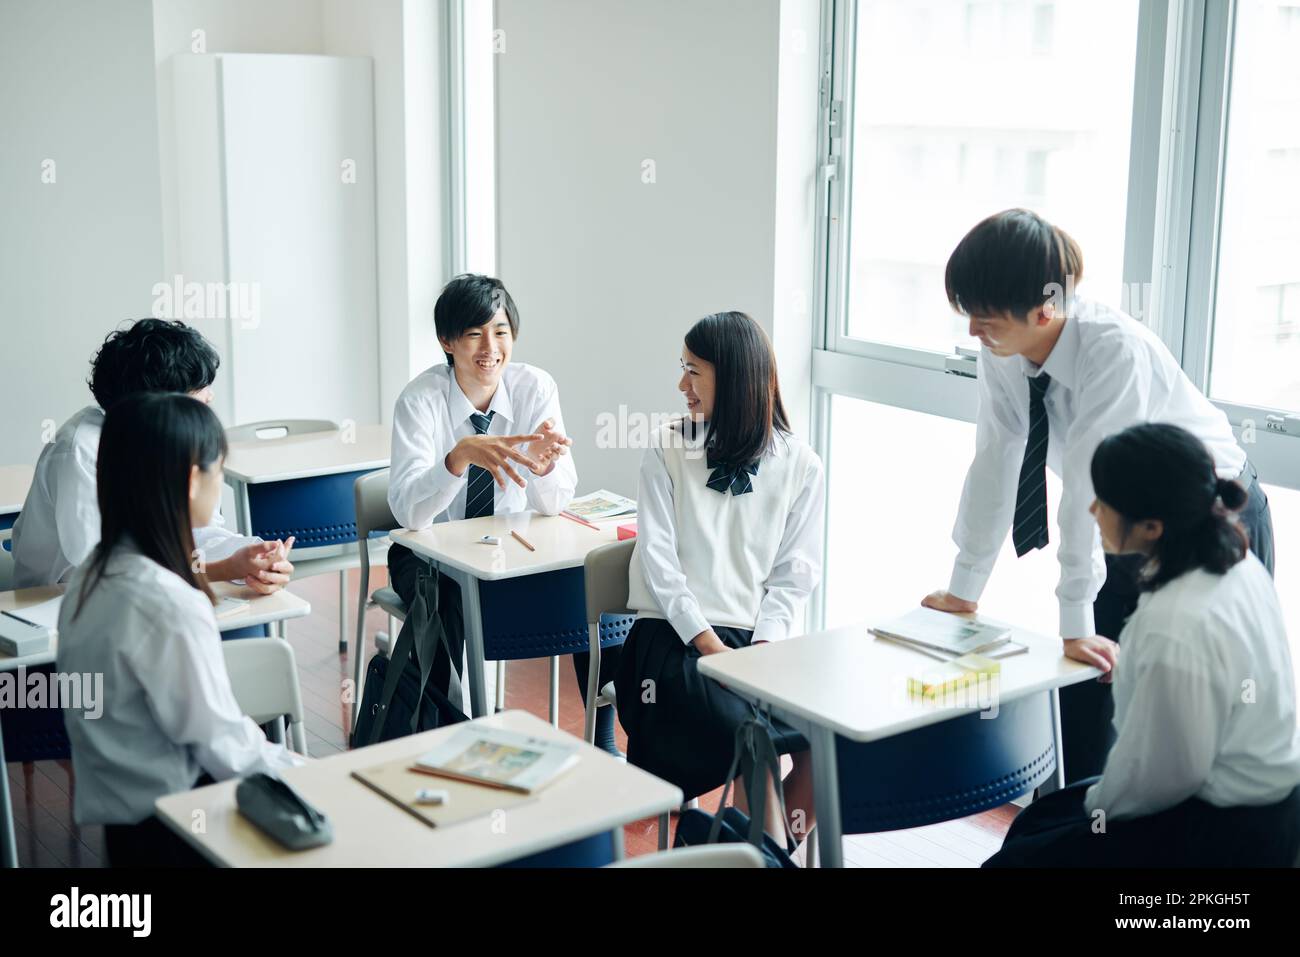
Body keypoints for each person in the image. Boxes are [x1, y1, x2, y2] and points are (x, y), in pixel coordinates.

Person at [922, 209, 1274, 783]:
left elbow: (1088, 484)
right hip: (1120, 526)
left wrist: (1074, 619)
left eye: (983, 319)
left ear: (1045, 310)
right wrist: (965, 590)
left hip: (1210, 520)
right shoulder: (1003, 348)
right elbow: (996, 456)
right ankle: (1075, 837)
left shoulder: (1113, 350)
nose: (972, 333)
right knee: (1087, 695)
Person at [985, 423, 1300, 866]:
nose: (1092, 510)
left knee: (1021, 853)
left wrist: (1095, 811)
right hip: (1274, 806)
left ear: (1151, 526)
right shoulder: (1237, 563)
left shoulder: (1172, 622)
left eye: (1106, 502)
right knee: (1039, 821)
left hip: (1222, 831)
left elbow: (1163, 778)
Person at [58, 392, 302, 867]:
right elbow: (225, 748)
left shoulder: (90, 575)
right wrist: (317, 774)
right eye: (219, 471)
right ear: (193, 480)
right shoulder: (168, 604)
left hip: (125, 830)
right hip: (183, 829)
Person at [614, 311, 825, 843]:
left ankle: (752, 853)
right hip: (673, 643)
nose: (681, 385)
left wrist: (761, 651)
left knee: (826, 741)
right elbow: (660, 568)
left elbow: (793, 576)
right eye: (682, 369)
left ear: (732, 377)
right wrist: (713, 649)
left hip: (758, 646)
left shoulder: (802, 464)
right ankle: (762, 855)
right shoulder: (667, 448)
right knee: (754, 740)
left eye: (693, 372)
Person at [385, 276, 605, 740]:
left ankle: (601, 734)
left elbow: (556, 504)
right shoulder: (419, 401)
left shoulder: (535, 388)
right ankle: (455, 731)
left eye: (501, 331)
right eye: (473, 334)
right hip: (430, 555)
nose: (490, 347)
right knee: (445, 601)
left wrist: (545, 468)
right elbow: (408, 514)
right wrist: (456, 459)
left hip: (509, 548)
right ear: (447, 341)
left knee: (600, 582)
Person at [12, 318, 293, 595]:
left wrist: (253, 558)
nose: (210, 397)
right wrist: (224, 569)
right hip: (59, 600)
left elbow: (198, 534)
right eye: (198, 387)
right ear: (159, 400)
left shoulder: (170, 438)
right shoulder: (80, 451)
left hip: (146, 589)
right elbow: (106, 568)